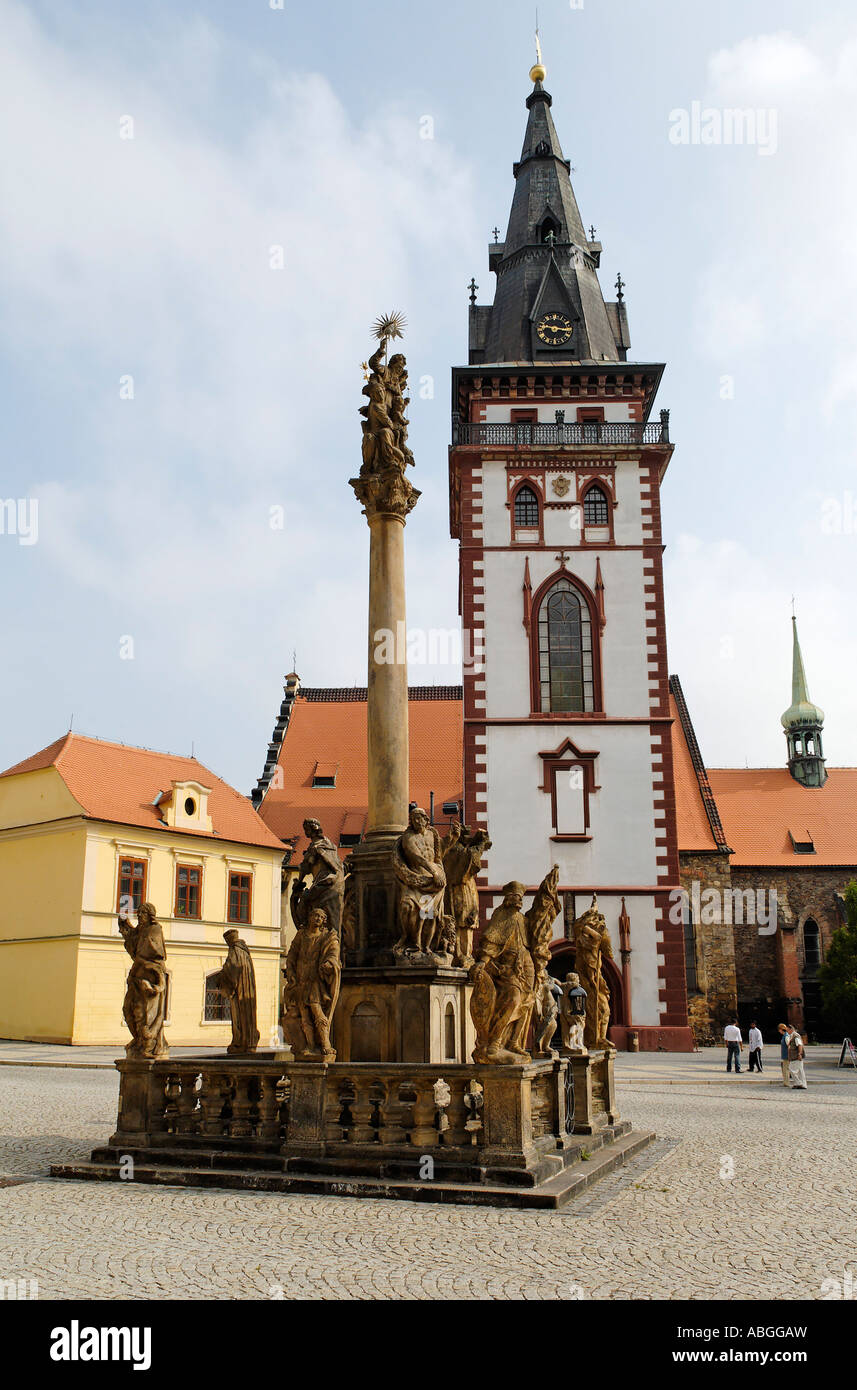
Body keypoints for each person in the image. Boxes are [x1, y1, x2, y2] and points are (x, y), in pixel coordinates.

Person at [787, 1025, 808, 1090]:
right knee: (799, 1071)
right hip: (794, 1056)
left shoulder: (796, 1036)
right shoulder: (792, 1036)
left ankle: (799, 1083)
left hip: (796, 1056)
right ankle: (800, 1084)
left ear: (791, 1029)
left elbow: (799, 1045)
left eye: (787, 1030)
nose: (787, 1031)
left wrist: (799, 1054)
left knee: (792, 1069)